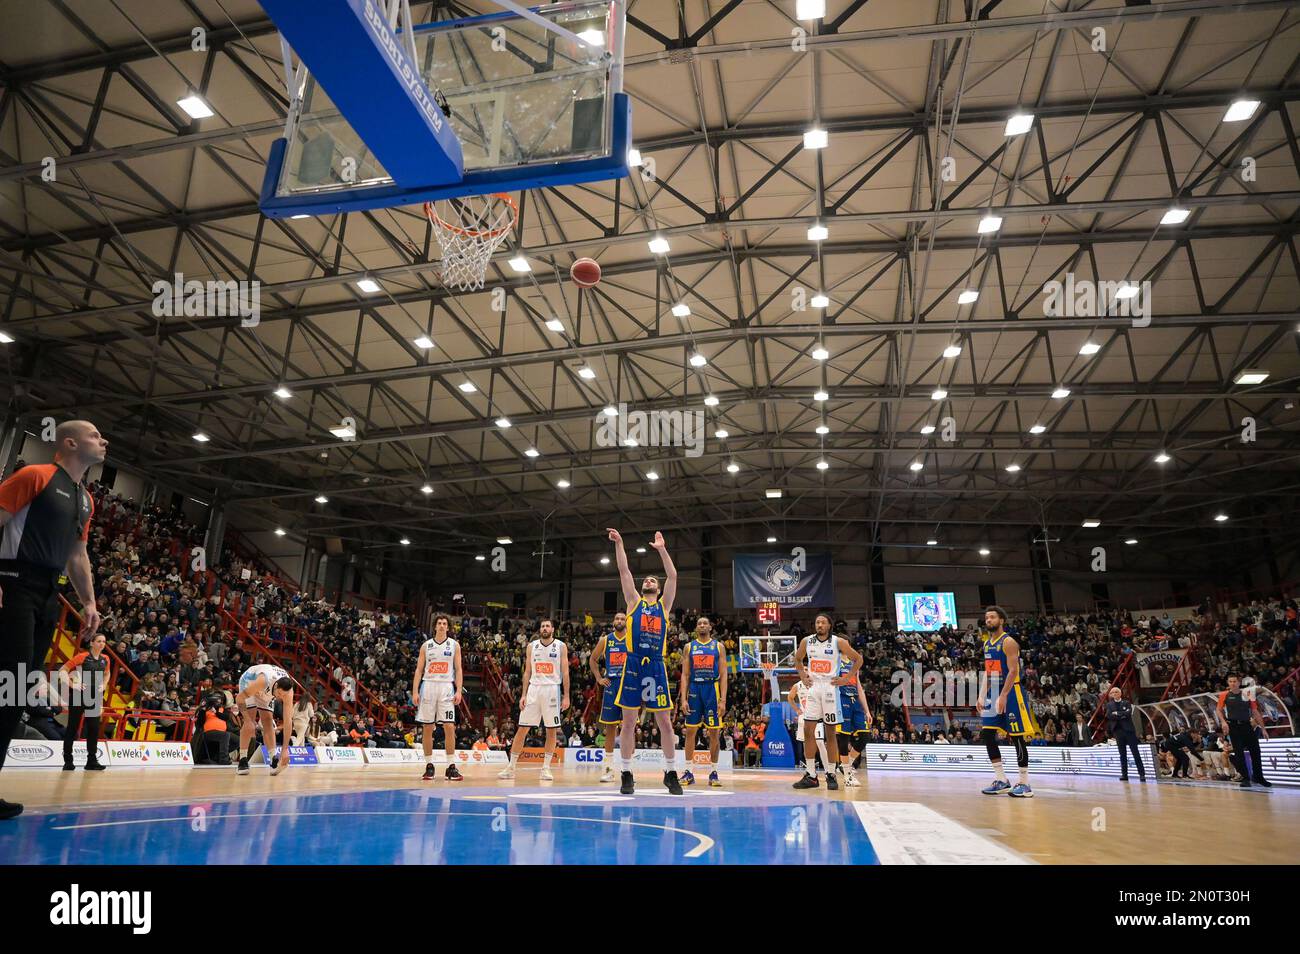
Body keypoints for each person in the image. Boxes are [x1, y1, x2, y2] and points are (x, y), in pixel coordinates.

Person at [0, 420, 106, 820]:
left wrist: (89, 602)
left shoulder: (85, 500)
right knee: (7, 684)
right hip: (14, 583)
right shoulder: (35, 476)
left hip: (49, 595)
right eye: (95, 436)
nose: (103, 441)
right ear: (70, 443)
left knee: (14, 692)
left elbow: (78, 555)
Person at [607, 528, 682, 796]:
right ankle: (626, 773)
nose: (649, 580)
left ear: (658, 589)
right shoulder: (633, 602)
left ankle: (670, 772)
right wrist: (620, 543)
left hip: (656, 666)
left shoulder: (664, 606)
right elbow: (624, 570)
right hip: (633, 664)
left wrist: (662, 550)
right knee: (628, 722)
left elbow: (673, 575)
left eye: (653, 579)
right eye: (646, 579)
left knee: (665, 723)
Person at [791, 613, 863, 790]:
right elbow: (798, 659)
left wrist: (846, 679)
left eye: (823, 622)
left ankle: (831, 774)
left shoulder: (839, 642)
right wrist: (802, 676)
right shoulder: (807, 641)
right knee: (808, 730)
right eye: (817, 622)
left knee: (830, 733)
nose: (820, 625)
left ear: (829, 625)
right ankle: (811, 775)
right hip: (814, 688)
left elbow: (858, 659)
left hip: (831, 689)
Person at [978, 606, 1040, 798]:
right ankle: (1001, 780)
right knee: (987, 734)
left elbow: (1013, 671)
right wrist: (981, 695)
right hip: (994, 691)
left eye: (992, 617)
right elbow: (990, 672)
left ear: (1001, 620)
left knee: (1017, 736)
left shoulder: (1009, 642)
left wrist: (1004, 694)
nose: (988, 620)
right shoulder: (987, 644)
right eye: (987, 618)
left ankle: (1024, 783)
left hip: (1012, 691)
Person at [498, 619, 569, 781]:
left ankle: (546, 768)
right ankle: (511, 767)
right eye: (543, 626)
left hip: (552, 689)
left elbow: (565, 672)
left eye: (547, 626)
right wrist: (523, 694)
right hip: (534, 689)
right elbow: (527, 672)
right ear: (540, 629)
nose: (545, 628)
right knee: (522, 728)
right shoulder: (532, 646)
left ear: (553, 629)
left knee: (551, 730)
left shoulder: (561, 646)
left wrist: (566, 696)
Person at [411, 614, 464, 782]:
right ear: (435, 626)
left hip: (446, 687)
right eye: (439, 623)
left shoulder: (454, 645)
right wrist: (415, 691)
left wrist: (459, 690)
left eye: (444, 623)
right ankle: (429, 766)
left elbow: (458, 669)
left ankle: (451, 766)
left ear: (448, 627)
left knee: (449, 726)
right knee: (427, 727)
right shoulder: (426, 646)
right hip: (428, 686)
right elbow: (419, 670)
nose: (442, 625)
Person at [679, 615, 727, 787]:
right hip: (694, 689)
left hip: (712, 690)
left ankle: (713, 773)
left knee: (714, 733)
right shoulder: (689, 647)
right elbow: (685, 675)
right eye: (699, 623)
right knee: (690, 731)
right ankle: (688, 772)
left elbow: (724, 675)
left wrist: (723, 700)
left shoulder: (719, 646)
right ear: (696, 628)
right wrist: (683, 699)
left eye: (705, 623)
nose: (702, 625)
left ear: (710, 627)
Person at [59, 632, 110, 771]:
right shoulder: (82, 656)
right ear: (92, 643)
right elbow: (63, 670)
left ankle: (91, 761)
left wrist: (104, 684)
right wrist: (72, 684)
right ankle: (68, 761)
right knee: (72, 728)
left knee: (94, 728)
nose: (102, 644)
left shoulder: (106, 659)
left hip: (94, 697)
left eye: (104, 641)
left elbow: (107, 674)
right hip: (78, 696)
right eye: (99, 641)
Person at [234, 662, 295, 776]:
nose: (280, 697)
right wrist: (247, 720)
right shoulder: (263, 681)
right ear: (276, 686)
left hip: (267, 689)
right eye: (279, 694)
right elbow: (239, 698)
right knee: (250, 720)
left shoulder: (288, 693)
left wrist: (285, 749)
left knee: (268, 720)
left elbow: (288, 721)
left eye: (283, 695)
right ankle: (242, 760)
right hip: (250, 681)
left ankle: (273, 759)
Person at [588, 610, 628, 783]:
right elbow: (593, 659)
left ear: (626, 621)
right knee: (610, 728)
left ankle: (628, 770)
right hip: (612, 685)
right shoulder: (606, 640)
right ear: (613, 622)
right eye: (617, 618)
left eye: (622, 618)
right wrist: (598, 678)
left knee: (629, 728)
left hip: (628, 685)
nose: (619, 621)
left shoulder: (632, 638)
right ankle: (609, 769)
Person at [1216, 675, 1272, 788]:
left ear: (1239, 682)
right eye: (1230, 681)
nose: (1232, 683)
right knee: (1239, 754)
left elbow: (1255, 712)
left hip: (1247, 726)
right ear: (1228, 683)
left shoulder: (1248, 694)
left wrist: (1263, 728)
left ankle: (1258, 777)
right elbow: (1218, 710)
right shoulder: (1224, 695)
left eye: (1234, 681)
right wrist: (1223, 722)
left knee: (1256, 751)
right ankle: (1245, 778)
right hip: (1233, 727)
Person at [834, 655, 871, 787]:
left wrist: (867, 710)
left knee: (865, 736)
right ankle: (847, 776)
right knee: (844, 738)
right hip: (842, 700)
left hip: (856, 702)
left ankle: (846, 765)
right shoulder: (835, 661)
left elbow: (859, 687)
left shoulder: (854, 664)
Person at [1103, 686, 1145, 781]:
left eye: (1116, 692)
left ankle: (1142, 774)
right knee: (1122, 754)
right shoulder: (1109, 705)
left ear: (1120, 693)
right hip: (1118, 732)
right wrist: (1121, 714)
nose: (1114, 694)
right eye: (1113, 692)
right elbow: (1109, 716)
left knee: (1135, 752)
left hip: (1129, 731)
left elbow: (1128, 713)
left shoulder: (1126, 702)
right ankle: (1124, 775)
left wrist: (1116, 713)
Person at [787, 680, 828, 774]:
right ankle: (810, 770)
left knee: (820, 743)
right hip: (804, 718)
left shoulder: (817, 682)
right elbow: (790, 697)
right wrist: (797, 709)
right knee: (806, 745)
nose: (806, 672)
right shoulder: (797, 685)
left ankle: (828, 770)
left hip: (817, 718)